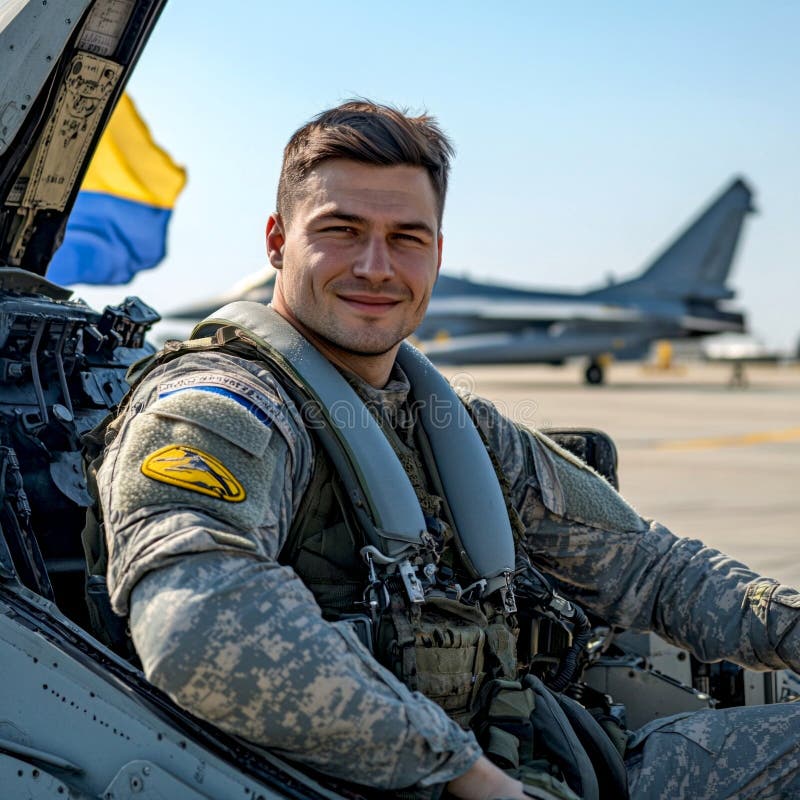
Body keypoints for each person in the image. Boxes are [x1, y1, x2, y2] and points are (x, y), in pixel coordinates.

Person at [96, 100, 800, 800]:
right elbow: (201, 628)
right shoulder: (221, 413)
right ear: (278, 240)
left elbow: (651, 568)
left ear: (437, 251)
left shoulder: (449, 425)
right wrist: (469, 777)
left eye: (406, 237)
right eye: (341, 231)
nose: (376, 266)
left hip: (538, 760)